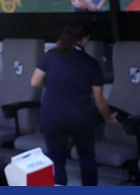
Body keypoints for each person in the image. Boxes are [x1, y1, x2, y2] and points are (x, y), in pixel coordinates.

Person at [31, 25, 116, 186]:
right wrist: (108, 118)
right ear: (85, 39)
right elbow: (99, 99)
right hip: (81, 117)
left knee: (56, 159)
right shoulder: (91, 63)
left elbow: (34, 81)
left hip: (52, 115)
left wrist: (52, 84)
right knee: (86, 157)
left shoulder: (50, 56)